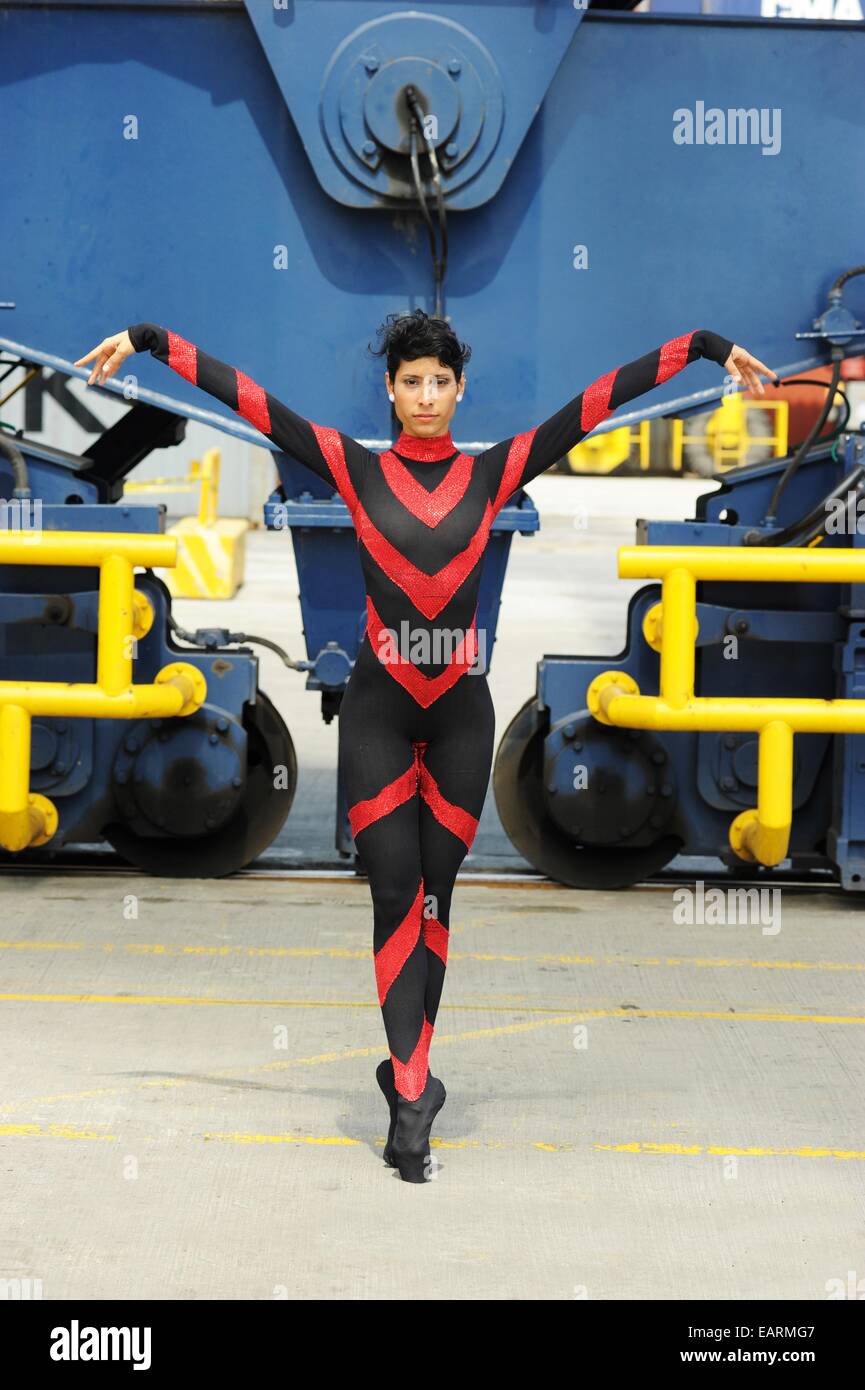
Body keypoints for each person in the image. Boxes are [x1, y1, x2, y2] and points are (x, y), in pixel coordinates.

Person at [75, 313, 773, 1182]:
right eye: (412, 382)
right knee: (392, 893)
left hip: (459, 717)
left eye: (441, 382)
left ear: (459, 387)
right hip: (377, 707)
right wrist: (147, 340)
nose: (427, 397)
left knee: (436, 900)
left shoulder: (496, 470)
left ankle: (412, 1078)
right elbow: (250, 401)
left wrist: (705, 348)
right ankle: (411, 1095)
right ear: (392, 390)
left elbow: (596, 404)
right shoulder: (352, 465)